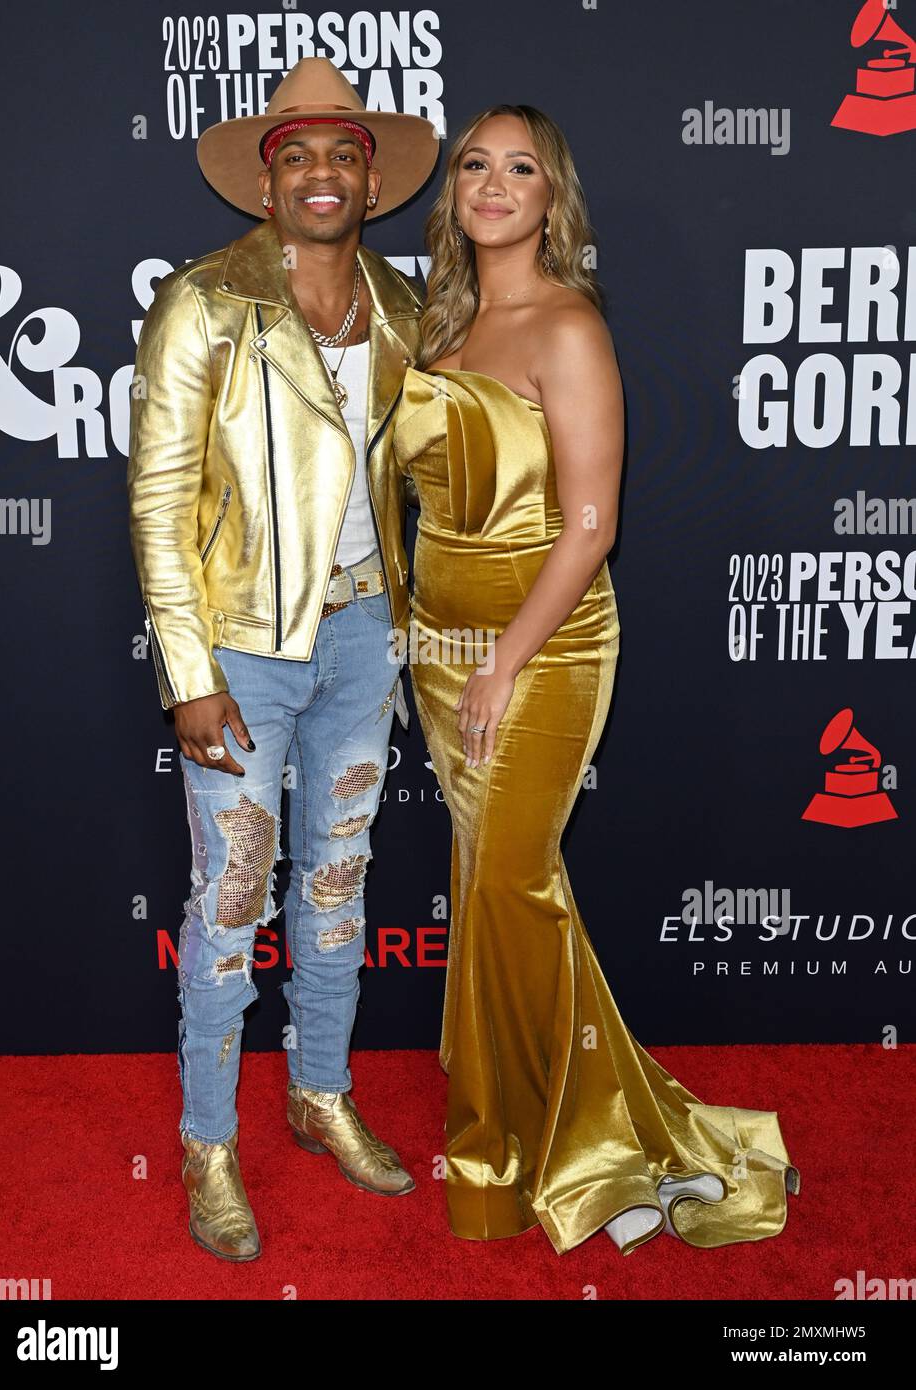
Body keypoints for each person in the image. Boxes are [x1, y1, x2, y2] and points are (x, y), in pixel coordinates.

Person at [392, 105, 800, 1255]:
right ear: (454, 191)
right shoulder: (438, 321)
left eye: (521, 167)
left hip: (544, 644)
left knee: (508, 882)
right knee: (490, 891)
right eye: (475, 163)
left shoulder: (567, 327)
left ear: (552, 200)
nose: (492, 182)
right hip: (438, 644)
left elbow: (588, 526)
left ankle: (543, 1143)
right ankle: (532, 1123)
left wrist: (503, 664)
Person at [127, 57, 438, 1262]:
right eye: (298, 153)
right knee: (229, 899)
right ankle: (209, 1141)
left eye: (343, 152)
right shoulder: (204, 302)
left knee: (337, 886)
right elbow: (157, 503)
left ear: (371, 175)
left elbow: (426, 480)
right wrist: (186, 669)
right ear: (268, 181)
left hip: (364, 635)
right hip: (242, 651)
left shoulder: (403, 307)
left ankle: (319, 1094)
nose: (322, 172)